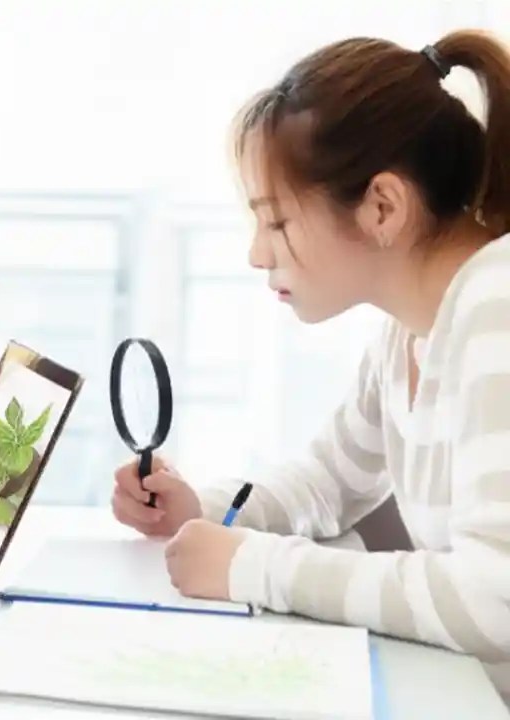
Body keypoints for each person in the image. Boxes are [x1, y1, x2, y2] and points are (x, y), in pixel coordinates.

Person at [111, 30, 510, 700]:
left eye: (276, 222)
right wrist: (198, 509)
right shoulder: (407, 335)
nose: (257, 255)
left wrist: (256, 568)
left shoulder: (496, 307)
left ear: (382, 207)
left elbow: (495, 598)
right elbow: (326, 483)